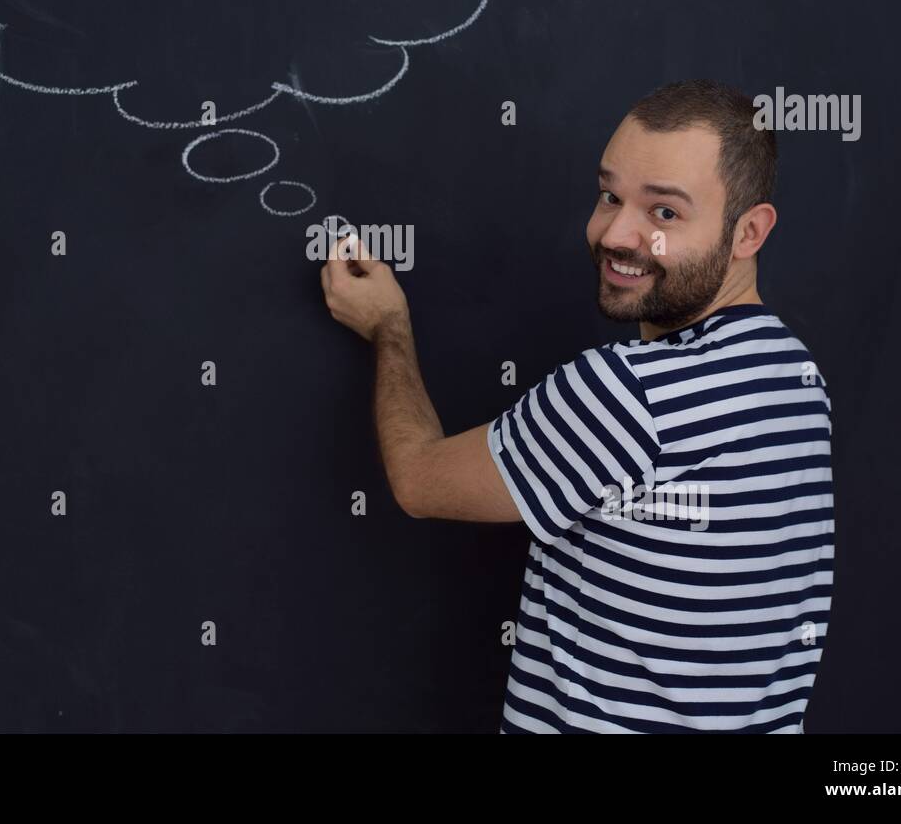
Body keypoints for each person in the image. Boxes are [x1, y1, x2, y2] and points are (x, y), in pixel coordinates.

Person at [321, 79, 834, 733]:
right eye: (609, 195)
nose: (615, 233)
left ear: (749, 231)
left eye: (664, 213)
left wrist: (388, 327)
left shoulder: (627, 395)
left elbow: (419, 479)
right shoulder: (794, 375)